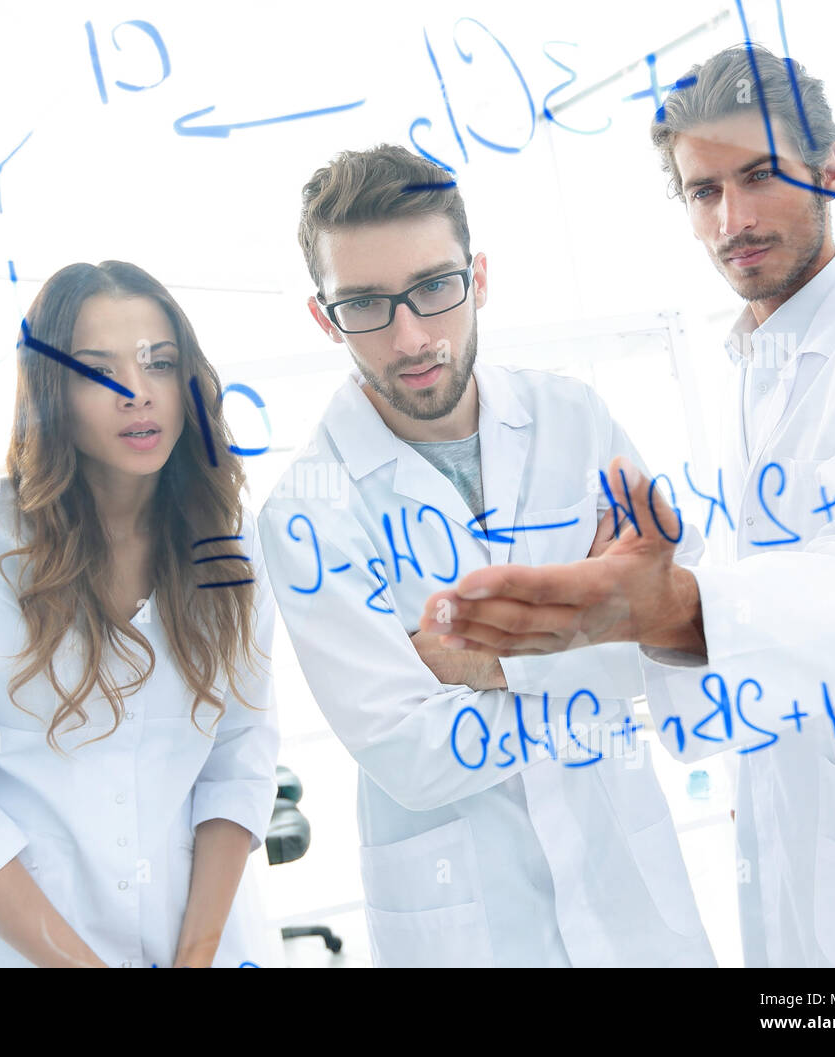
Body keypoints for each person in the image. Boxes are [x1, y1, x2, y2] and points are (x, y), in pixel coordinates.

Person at [423, 46, 835, 968]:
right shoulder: (758, 362)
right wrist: (619, 624)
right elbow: (755, 617)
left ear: (830, 169)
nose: (732, 220)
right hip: (796, 836)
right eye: (703, 192)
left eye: (760, 176)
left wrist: (678, 606)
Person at [257, 144, 714, 968]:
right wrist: (596, 627)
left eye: (435, 288)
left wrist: (481, 656)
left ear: (481, 277)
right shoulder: (307, 511)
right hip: (463, 924)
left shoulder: (576, 421)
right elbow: (413, 756)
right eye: (365, 303)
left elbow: (686, 640)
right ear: (324, 317)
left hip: (631, 897)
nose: (410, 337)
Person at [0, 261, 280, 968]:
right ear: (50, 390)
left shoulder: (229, 544)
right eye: (98, 370)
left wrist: (197, 955)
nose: (136, 393)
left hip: (201, 942)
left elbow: (238, 759)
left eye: (160, 362)